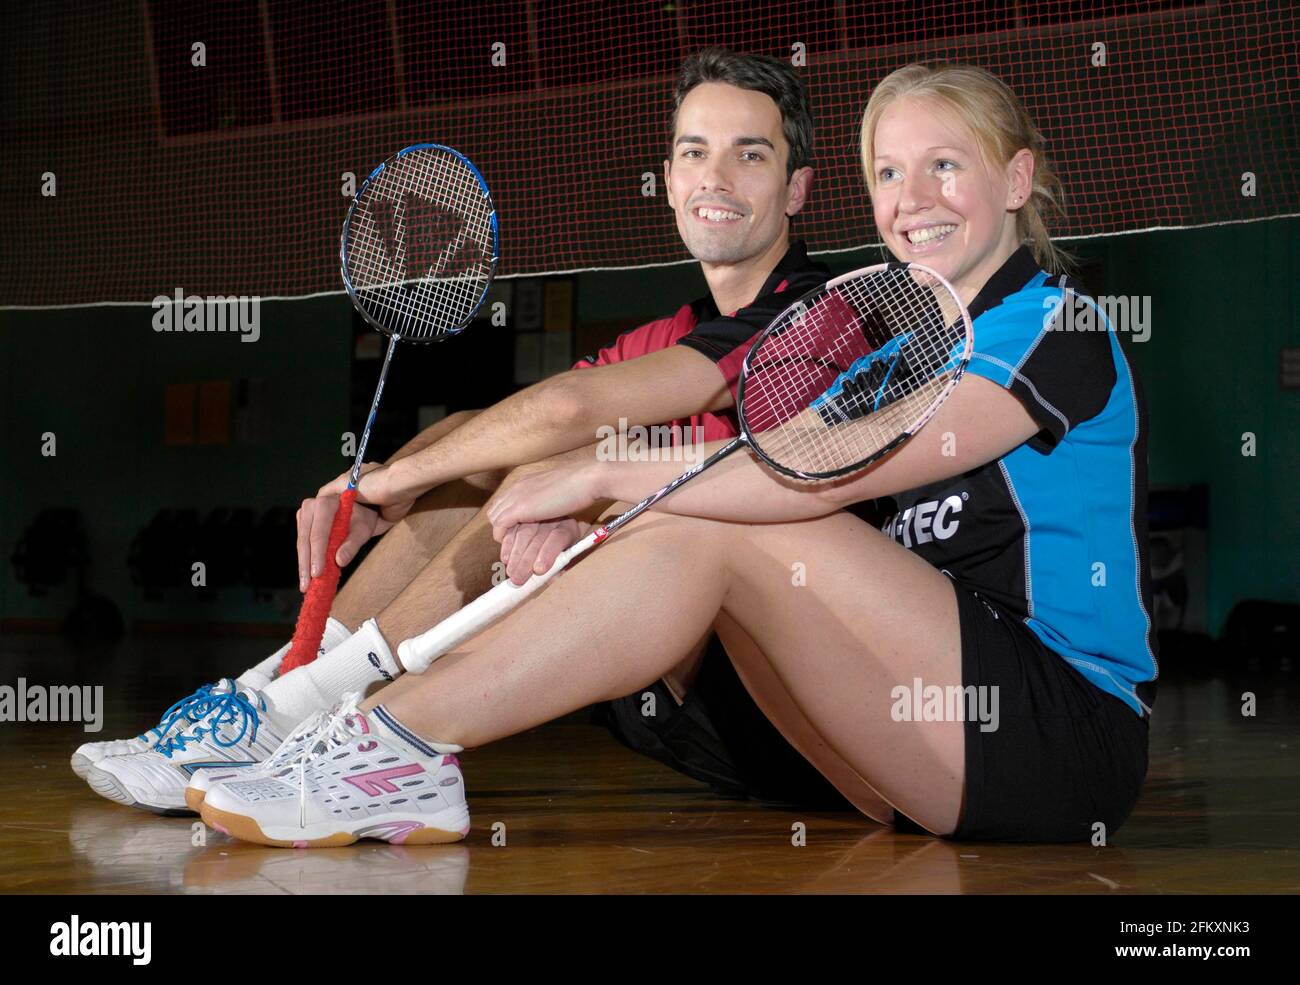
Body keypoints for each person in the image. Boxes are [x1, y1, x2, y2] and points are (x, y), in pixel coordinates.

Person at [198, 60, 1156, 847]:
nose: (913, 200)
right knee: (695, 514)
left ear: (1017, 181)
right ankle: (340, 715)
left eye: (946, 166)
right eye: (890, 174)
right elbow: (776, 458)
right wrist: (594, 513)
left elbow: (820, 470)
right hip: (899, 743)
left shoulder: (1054, 324)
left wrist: (601, 474)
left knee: (716, 527)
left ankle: (393, 740)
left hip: (1056, 732)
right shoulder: (901, 348)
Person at [75, 48, 846, 815]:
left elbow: (570, 415)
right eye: (694, 151)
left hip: (792, 713)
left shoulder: (816, 311)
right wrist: (387, 479)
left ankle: (292, 711)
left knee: (584, 455)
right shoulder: (678, 330)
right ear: (670, 179)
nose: (715, 176)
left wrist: (390, 482)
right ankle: (275, 689)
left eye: (751, 154)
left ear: (796, 189)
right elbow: (509, 429)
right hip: (679, 695)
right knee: (484, 455)